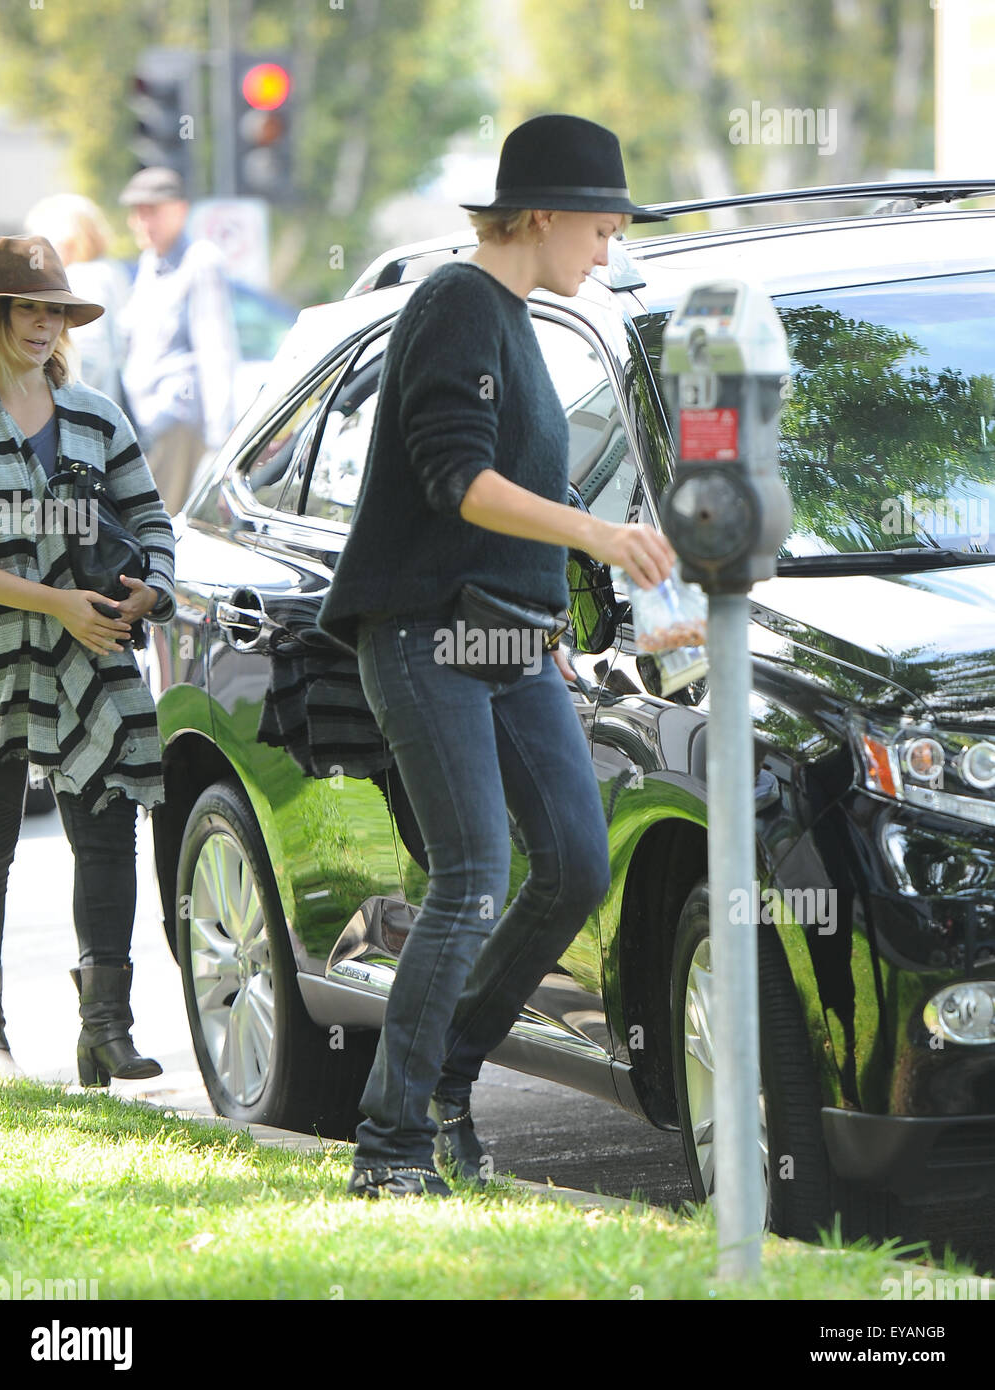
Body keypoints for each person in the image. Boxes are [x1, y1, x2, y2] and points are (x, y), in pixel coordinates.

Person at [319, 113, 676, 1198]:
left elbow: (519, 503)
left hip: (514, 648)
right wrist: (597, 533)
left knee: (574, 861)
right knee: (473, 876)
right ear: (543, 214)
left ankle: (445, 1081)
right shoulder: (455, 304)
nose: (608, 249)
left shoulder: (521, 322)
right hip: (425, 636)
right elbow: (457, 482)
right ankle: (388, 1149)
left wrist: (599, 596)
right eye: (602, 227)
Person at [0, 233, 176, 1084]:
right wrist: (53, 599)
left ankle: (106, 1026)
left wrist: (151, 592)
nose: (43, 325)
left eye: (55, 310)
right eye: (28, 307)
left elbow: (156, 523)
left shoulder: (96, 414)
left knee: (107, 838)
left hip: (91, 661)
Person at [116, 166, 239, 515]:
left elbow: (216, 348)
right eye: (137, 212)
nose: (141, 222)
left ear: (180, 210)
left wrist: (220, 439)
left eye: (151, 211)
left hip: (177, 424)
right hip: (144, 424)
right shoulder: (148, 263)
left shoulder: (200, 260)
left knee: (160, 528)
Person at [23, 193, 132, 407]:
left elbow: (89, 357)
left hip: (84, 412)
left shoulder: (84, 278)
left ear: (66, 240)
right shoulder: (110, 271)